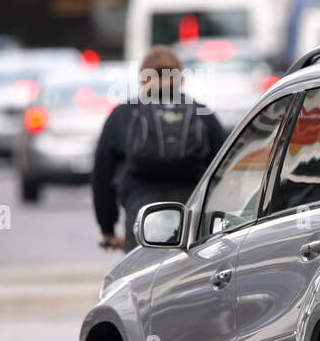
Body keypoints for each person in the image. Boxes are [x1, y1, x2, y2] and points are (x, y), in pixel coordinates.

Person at [92, 46, 226, 252]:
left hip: (142, 217)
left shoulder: (123, 114)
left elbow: (102, 176)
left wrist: (107, 229)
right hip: (193, 215)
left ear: (144, 80)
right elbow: (225, 166)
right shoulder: (200, 112)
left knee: (140, 280)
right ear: (180, 78)